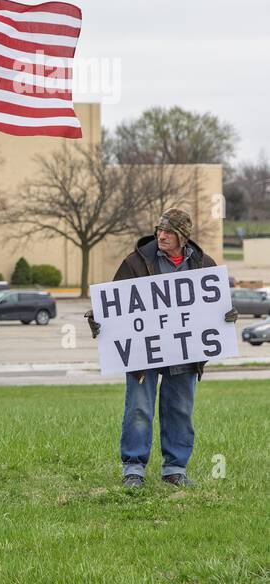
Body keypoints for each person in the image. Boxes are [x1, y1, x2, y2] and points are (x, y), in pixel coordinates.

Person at [86, 208, 236, 488]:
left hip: (186, 352)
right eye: (160, 230)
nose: (162, 235)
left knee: (180, 408)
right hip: (144, 355)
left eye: (169, 232)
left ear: (183, 237)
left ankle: (175, 469)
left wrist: (226, 315)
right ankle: (133, 468)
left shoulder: (204, 264)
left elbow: (217, 305)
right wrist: (98, 318)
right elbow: (116, 301)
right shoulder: (136, 262)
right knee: (139, 408)